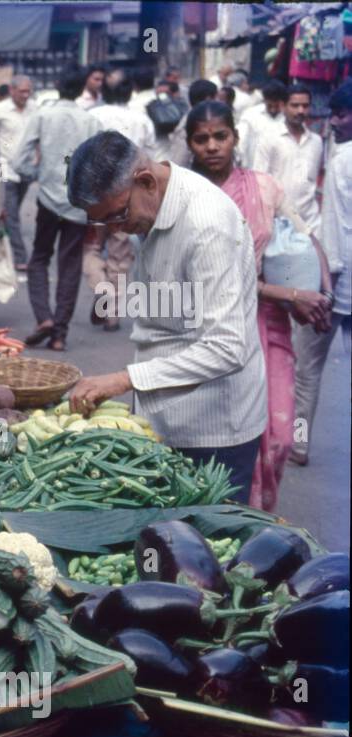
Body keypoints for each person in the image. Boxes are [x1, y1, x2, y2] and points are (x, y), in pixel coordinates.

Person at [66, 131, 268, 499]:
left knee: (207, 548)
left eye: (117, 216)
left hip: (213, 429)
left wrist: (124, 379)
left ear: (146, 181)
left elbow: (227, 348)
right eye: (103, 222)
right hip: (163, 417)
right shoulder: (152, 205)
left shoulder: (208, 225)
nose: (116, 230)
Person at [184, 101, 332, 509]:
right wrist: (292, 295)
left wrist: (323, 291)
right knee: (229, 438)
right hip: (213, 328)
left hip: (268, 325)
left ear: (234, 137)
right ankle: (236, 526)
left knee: (280, 436)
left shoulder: (263, 186)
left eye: (220, 136)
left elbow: (305, 234)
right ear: (190, 144)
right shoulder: (187, 197)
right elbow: (221, 278)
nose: (212, 146)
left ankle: (260, 513)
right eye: (202, 139)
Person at [12, 69, 103, 350]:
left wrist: (37, 175)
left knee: (39, 258)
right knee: (70, 265)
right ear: (81, 91)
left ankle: (44, 318)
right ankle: (60, 335)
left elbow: (18, 159)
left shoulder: (42, 116)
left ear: (56, 86)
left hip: (48, 199)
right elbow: (99, 165)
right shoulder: (91, 122)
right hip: (77, 202)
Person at [292, 80, 352, 466]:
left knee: (306, 370)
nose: (334, 122)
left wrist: (325, 280)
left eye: (341, 114)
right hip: (337, 280)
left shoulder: (343, 158)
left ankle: (299, 443)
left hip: (334, 282)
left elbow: (337, 228)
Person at [86, 75, 155, 330]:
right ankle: (113, 313)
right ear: (130, 92)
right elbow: (151, 158)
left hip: (94, 194)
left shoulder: (92, 116)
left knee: (90, 248)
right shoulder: (142, 120)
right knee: (120, 255)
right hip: (128, 196)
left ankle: (99, 283)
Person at [253, 84, 323, 229]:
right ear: (283, 106)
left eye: (305, 106)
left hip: (311, 222)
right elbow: (259, 182)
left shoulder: (316, 141)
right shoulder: (269, 138)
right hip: (279, 223)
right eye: (295, 105)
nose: (300, 111)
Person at [0, 74, 36, 272]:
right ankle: (20, 257)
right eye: (22, 91)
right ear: (12, 91)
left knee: (9, 212)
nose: (26, 95)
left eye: (28, 91)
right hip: (4, 168)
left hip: (25, 170)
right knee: (11, 214)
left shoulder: (35, 109)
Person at [168, 79, 218, 167]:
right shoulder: (188, 124)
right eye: (215, 98)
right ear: (207, 99)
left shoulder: (209, 119)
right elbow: (179, 161)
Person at [239, 80, 290, 167]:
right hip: (254, 170)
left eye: (276, 106)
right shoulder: (250, 115)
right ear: (264, 100)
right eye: (269, 106)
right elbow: (241, 143)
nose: (273, 110)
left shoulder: (289, 118)